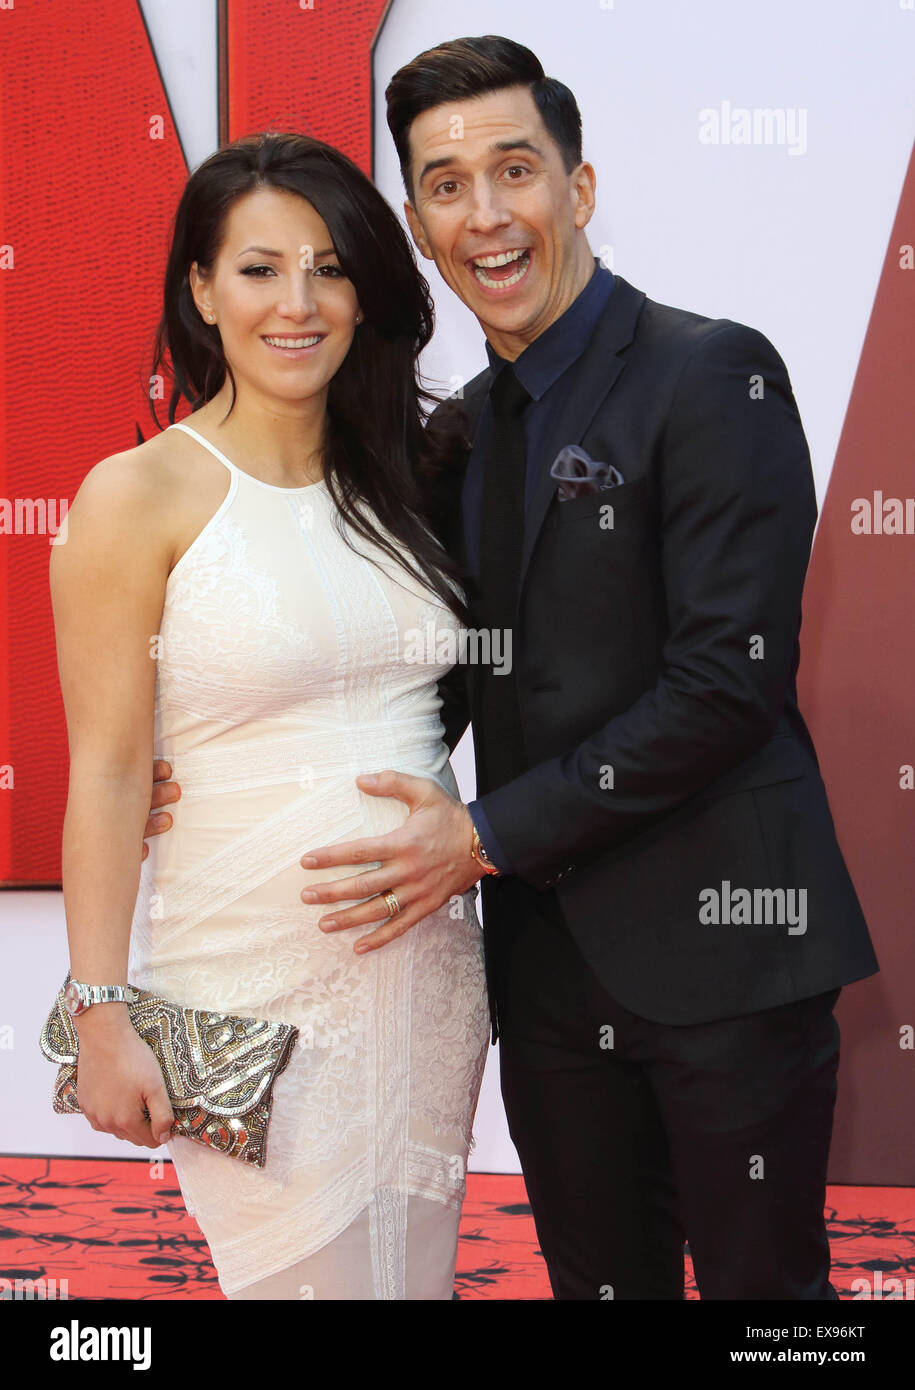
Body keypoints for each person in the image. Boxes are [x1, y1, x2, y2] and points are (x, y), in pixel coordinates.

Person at [146, 38, 880, 1299]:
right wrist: (219, 771)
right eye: (443, 184)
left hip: (729, 956)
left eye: (514, 170)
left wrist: (479, 835)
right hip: (545, 976)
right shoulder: (452, 437)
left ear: (578, 189)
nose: (484, 214)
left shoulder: (713, 372)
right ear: (419, 224)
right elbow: (414, 681)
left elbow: (727, 683)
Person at [49, 130, 490, 1301]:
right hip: (250, 994)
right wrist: (99, 1010)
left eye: (330, 267)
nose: (297, 302)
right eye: (258, 268)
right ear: (200, 288)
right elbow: (103, 771)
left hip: (431, 981)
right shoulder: (135, 494)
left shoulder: (411, 477)